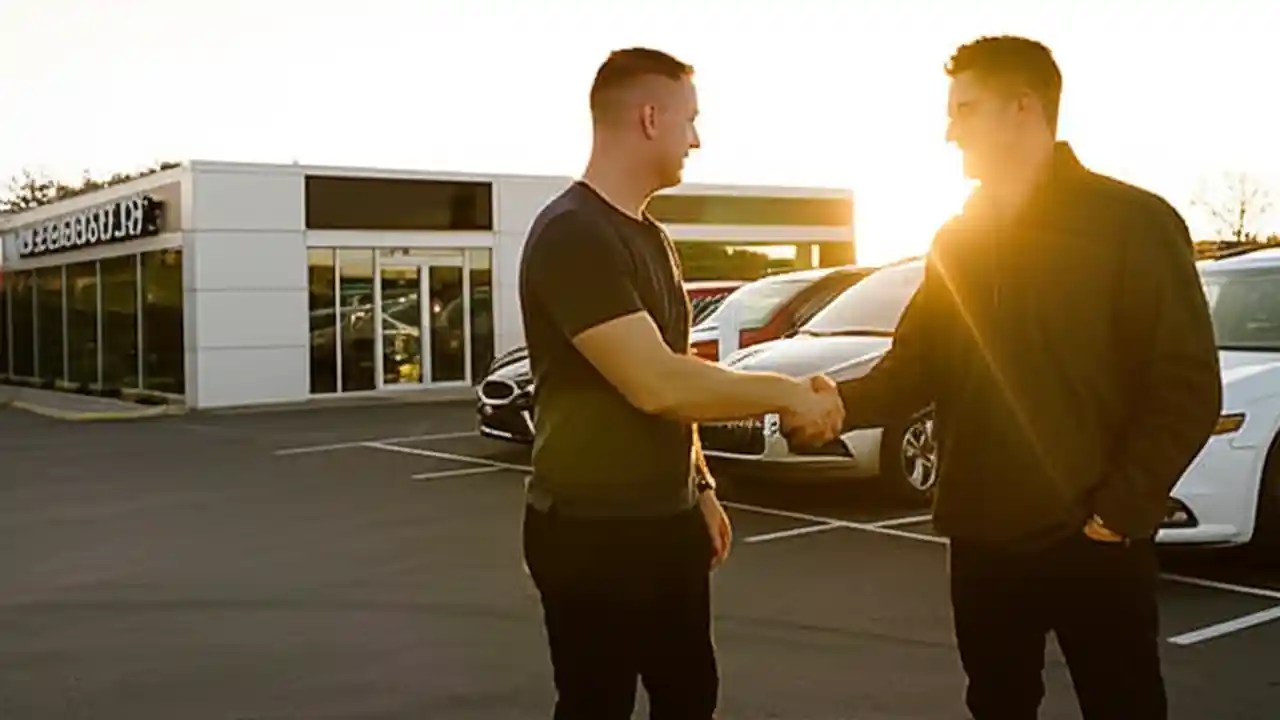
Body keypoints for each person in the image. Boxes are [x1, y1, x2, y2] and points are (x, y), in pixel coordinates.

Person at [805, 36, 1223, 719]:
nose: (949, 131)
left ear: (1024, 108)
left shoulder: (1133, 222)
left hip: (1096, 544)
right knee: (997, 705)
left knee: (1125, 705)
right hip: (984, 540)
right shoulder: (959, 239)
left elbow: (1185, 385)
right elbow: (918, 362)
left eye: (966, 109)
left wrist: (1118, 513)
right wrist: (831, 404)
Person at [517, 47, 843, 719]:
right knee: (596, 704)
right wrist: (787, 393)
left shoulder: (653, 239)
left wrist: (700, 486)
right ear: (648, 117)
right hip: (588, 533)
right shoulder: (572, 235)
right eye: (689, 120)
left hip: (662, 525)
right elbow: (656, 384)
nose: (697, 138)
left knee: (690, 695)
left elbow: (678, 376)